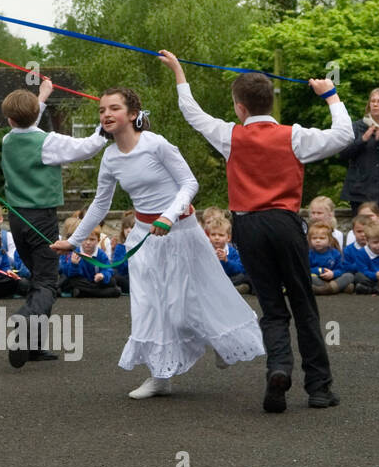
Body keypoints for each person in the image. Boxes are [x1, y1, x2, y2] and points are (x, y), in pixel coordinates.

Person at [161, 51, 350, 412]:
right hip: (284, 222)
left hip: (247, 225)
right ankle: (319, 388)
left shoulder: (229, 135)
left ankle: (278, 368)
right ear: (269, 101)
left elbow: (192, 113)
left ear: (239, 107)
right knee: (303, 303)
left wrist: (179, 71)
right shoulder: (293, 135)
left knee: (272, 307)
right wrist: (330, 94)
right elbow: (342, 134)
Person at [53, 84, 265, 400]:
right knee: (148, 307)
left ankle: (220, 340)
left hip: (183, 232)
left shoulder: (156, 145)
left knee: (185, 307)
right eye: (102, 110)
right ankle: (160, 376)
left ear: (133, 114)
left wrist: (167, 216)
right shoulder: (110, 157)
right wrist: (73, 240)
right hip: (144, 237)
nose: (106, 114)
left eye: (114, 108)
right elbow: (100, 203)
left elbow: (189, 183)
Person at [0, 77, 108, 365]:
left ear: (9, 119)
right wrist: (104, 126)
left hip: (18, 219)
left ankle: (32, 346)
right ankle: (24, 320)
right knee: (48, 283)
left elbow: (26, 120)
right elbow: (88, 147)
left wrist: (42, 95)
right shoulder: (48, 141)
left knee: (39, 279)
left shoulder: (8, 139)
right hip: (41, 219)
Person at [339, 88, 379, 216]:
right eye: (373, 101)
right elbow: (343, 154)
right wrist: (362, 140)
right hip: (360, 193)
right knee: (362, 232)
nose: (375, 104)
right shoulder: (357, 126)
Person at [59, 228, 119, 298]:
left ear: (98, 241)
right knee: (72, 281)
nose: (88, 242)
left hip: (95, 281)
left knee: (112, 281)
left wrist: (102, 275)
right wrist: (74, 265)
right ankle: (99, 292)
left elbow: (108, 269)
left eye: (92, 239)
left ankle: (85, 293)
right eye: (85, 239)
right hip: (82, 281)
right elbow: (70, 273)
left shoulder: (100, 253)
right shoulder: (76, 252)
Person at [205, 215, 251, 294]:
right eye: (213, 235)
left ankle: (237, 288)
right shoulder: (206, 250)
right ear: (208, 236)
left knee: (243, 277)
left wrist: (226, 261)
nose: (216, 238)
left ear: (228, 238)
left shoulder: (231, 251)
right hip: (212, 278)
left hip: (229, 277)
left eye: (221, 235)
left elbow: (240, 268)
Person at [307, 223, 349, 296]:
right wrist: (319, 270)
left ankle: (324, 289)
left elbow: (341, 269)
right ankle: (335, 288)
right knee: (310, 277)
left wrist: (333, 274)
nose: (318, 241)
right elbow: (307, 269)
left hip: (333, 279)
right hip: (318, 279)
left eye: (322, 238)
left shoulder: (335, 253)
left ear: (329, 240)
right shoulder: (309, 254)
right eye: (314, 238)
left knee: (349, 276)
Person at [345, 222, 379, 294]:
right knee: (358, 276)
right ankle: (377, 289)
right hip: (370, 277)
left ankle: (371, 289)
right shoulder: (362, 252)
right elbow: (363, 270)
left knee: (361, 286)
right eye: (375, 242)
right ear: (367, 241)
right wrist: (375, 275)